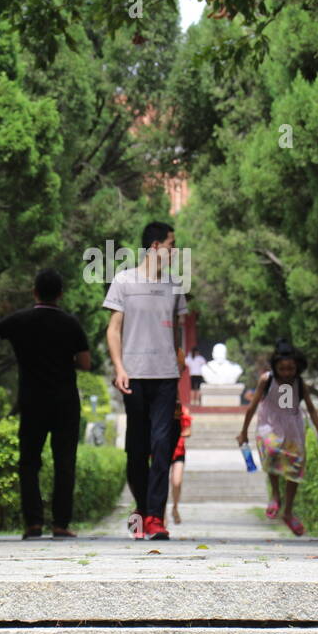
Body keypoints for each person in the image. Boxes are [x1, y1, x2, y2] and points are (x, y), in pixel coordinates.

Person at [0, 269, 91, 539]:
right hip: (65, 402)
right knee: (64, 462)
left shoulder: (21, 320)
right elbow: (85, 363)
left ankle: (33, 524)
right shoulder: (71, 324)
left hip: (33, 400)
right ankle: (60, 524)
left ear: (34, 292)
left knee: (29, 463)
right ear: (60, 294)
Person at [105, 221, 187, 541]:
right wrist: (119, 367)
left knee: (162, 446)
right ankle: (141, 508)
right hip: (134, 376)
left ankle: (155, 516)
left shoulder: (175, 284)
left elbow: (178, 331)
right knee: (136, 449)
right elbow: (113, 329)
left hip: (166, 377)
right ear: (155, 247)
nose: (175, 251)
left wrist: (179, 366)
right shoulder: (124, 281)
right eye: (171, 245)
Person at [236, 340, 318, 536]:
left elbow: (312, 410)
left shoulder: (299, 383)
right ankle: (275, 495)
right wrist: (244, 431)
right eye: (282, 369)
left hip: (293, 427)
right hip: (269, 424)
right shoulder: (266, 380)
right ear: (275, 367)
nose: (287, 373)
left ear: (297, 367)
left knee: (295, 468)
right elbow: (252, 406)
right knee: (271, 452)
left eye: (291, 369)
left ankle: (288, 512)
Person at [168, 399, 192, 524]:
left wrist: (179, 434)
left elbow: (188, 430)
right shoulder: (159, 409)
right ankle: (160, 513)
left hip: (178, 450)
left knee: (176, 482)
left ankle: (175, 507)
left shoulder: (183, 410)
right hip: (162, 450)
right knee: (160, 482)